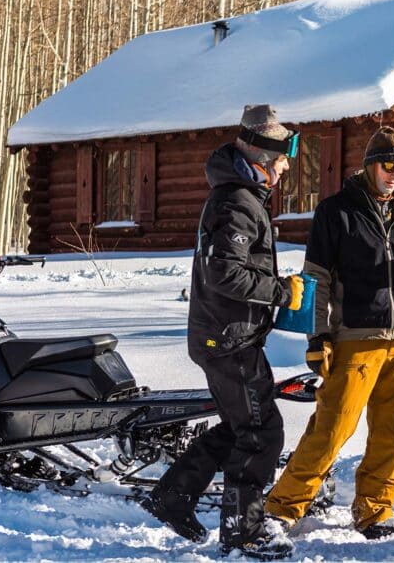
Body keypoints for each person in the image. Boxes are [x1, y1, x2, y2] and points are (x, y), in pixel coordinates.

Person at [142, 104, 303, 561]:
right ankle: (243, 531)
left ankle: (172, 496)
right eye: (283, 161)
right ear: (263, 159)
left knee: (240, 424)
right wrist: (279, 291)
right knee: (260, 430)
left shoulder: (242, 197)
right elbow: (224, 274)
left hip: (230, 334)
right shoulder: (236, 200)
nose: (286, 170)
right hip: (226, 338)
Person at [265, 126, 394, 539]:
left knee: (393, 432)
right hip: (356, 336)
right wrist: (317, 337)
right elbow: (317, 280)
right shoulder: (337, 211)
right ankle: (283, 506)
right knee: (332, 428)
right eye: (387, 164)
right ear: (369, 166)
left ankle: (375, 511)